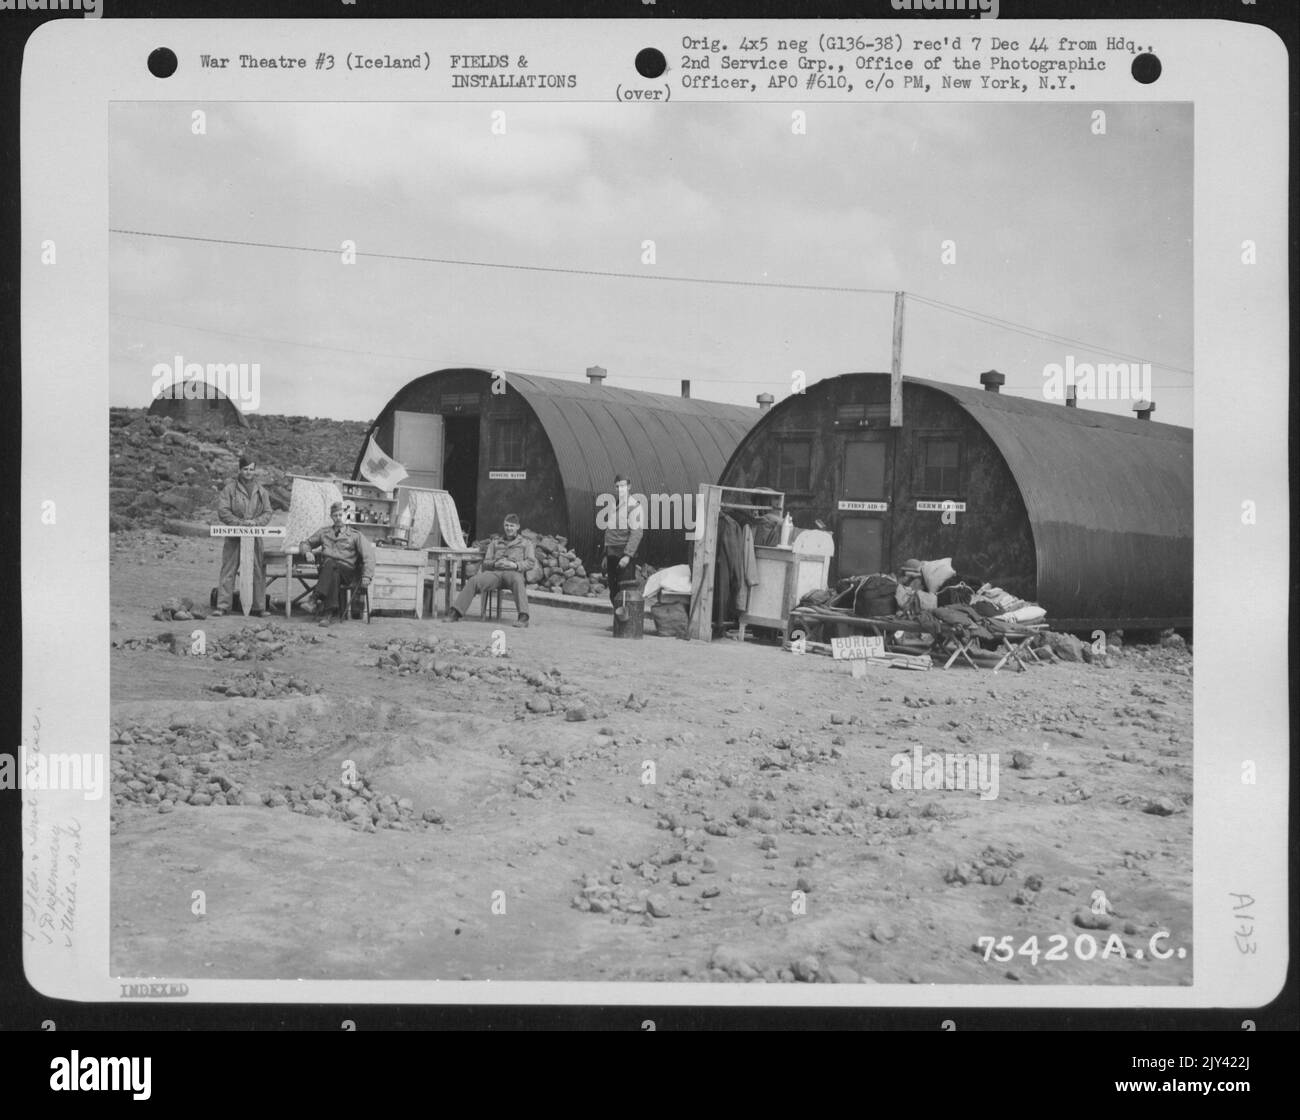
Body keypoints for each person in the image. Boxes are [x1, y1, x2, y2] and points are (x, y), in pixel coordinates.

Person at [447, 513, 535, 627]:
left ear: (518, 527)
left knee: (518, 581)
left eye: (512, 526)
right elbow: (486, 562)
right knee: (474, 580)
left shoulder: (526, 543)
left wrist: (515, 565)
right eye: (507, 525)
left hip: (513, 573)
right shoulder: (495, 542)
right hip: (495, 573)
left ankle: (523, 618)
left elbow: (531, 562)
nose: (509, 528)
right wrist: (495, 563)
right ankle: (456, 612)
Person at [213, 455, 273, 616]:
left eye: (251, 469)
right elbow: (223, 511)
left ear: (255, 471)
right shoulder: (229, 489)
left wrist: (256, 522)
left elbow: (268, 512)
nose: (248, 472)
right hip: (234, 537)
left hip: (254, 537)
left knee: (257, 570)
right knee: (228, 569)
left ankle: (259, 607)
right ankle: (223, 606)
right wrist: (239, 523)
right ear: (240, 470)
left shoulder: (262, 491)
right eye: (245, 469)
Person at [303, 501, 376, 625]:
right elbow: (306, 543)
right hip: (328, 570)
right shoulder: (324, 532)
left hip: (347, 573)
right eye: (335, 515)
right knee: (332, 570)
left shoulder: (355, 535)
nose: (338, 518)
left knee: (331, 566)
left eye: (341, 515)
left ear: (346, 515)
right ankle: (328, 614)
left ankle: (315, 599)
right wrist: (307, 552)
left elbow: (369, 556)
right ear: (331, 517)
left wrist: (367, 575)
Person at [602, 474, 645, 611]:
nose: (620, 489)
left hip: (623, 554)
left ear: (629, 487)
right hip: (612, 554)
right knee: (614, 591)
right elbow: (610, 531)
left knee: (625, 591)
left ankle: (626, 624)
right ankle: (618, 621)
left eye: (623, 486)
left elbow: (637, 533)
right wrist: (605, 554)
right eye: (618, 486)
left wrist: (627, 555)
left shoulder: (634, 506)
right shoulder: (614, 505)